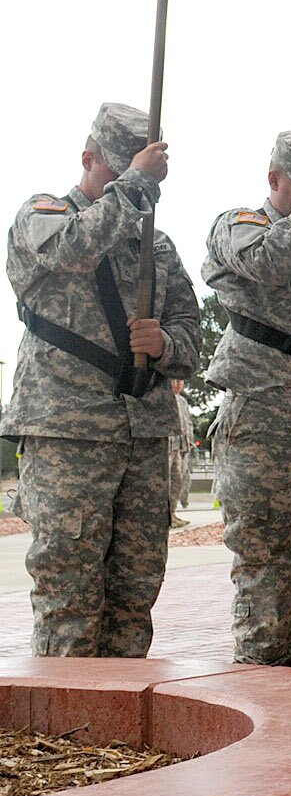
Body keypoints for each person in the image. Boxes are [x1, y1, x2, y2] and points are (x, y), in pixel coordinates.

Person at [3, 102, 199, 657]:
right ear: (88, 158)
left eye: (138, 172)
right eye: (118, 170)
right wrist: (138, 181)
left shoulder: (155, 244)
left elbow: (190, 328)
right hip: (69, 431)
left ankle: (123, 733)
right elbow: (75, 248)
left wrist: (165, 345)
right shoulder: (42, 217)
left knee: (135, 591)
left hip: (143, 432)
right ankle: (71, 727)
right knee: (69, 587)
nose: (131, 186)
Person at [202, 129, 291, 669]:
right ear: (274, 179)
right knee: (265, 561)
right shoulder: (240, 226)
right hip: (265, 419)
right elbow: (267, 263)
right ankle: (266, 689)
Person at [168, 379, 194, 528]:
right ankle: (165, 516)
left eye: (180, 381)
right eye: (174, 381)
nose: (177, 385)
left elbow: (187, 423)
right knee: (167, 482)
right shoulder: (165, 397)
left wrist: (189, 441)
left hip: (180, 447)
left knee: (178, 481)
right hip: (168, 446)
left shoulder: (182, 401)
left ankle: (172, 512)